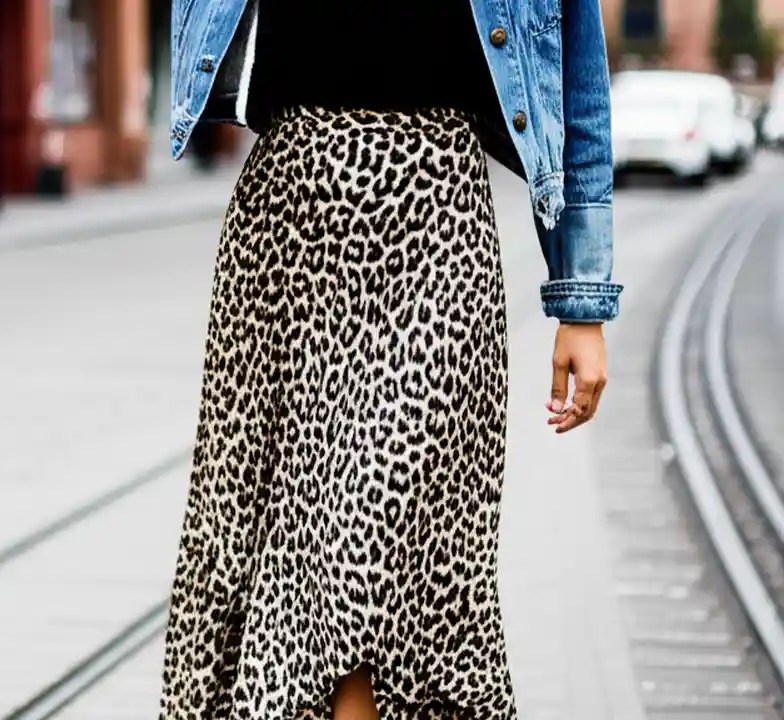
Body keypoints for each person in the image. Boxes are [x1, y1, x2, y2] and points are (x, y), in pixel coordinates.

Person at [160, 1, 621, 719]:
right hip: (291, 220)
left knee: (393, 554)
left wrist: (580, 302)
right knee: (281, 547)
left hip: (438, 215)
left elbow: (577, 71)